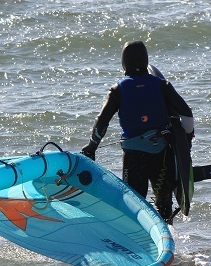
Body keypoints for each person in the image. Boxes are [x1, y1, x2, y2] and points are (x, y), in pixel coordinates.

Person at [81, 41, 194, 223]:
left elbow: (102, 122)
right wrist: (187, 138)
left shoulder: (118, 90)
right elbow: (187, 114)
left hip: (133, 157)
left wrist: (92, 146)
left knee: (134, 203)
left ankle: (139, 239)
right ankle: (168, 238)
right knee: (164, 205)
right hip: (161, 156)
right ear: (146, 60)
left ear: (124, 63)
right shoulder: (161, 85)